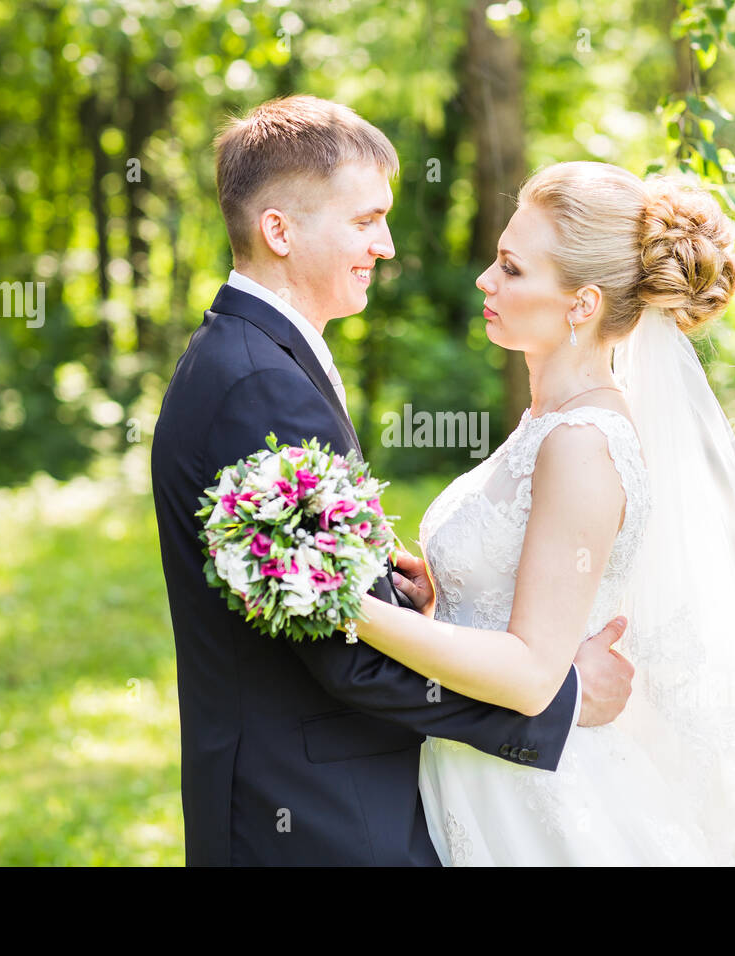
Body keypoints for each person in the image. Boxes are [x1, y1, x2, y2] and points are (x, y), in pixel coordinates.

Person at [151, 96, 634, 866]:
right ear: (279, 231)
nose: (386, 243)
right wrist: (560, 705)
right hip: (309, 818)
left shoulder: (258, 359)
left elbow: (322, 598)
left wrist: (395, 594)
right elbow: (338, 644)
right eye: (364, 220)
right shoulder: (255, 385)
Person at [353, 161, 735, 864]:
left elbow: (528, 673)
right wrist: (444, 597)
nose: (486, 280)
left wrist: (348, 611)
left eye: (513, 269)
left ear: (581, 304)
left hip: (537, 800)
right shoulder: (550, 421)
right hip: (482, 773)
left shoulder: (582, 443)